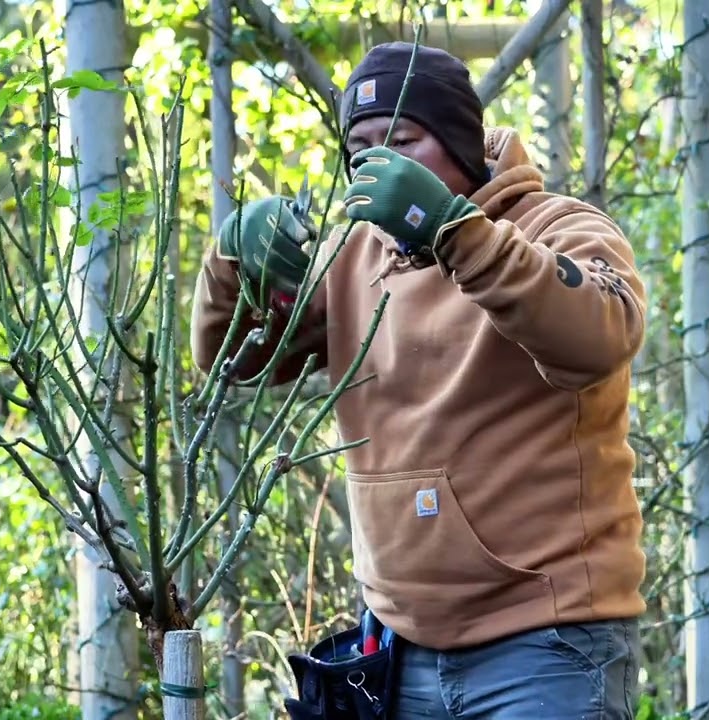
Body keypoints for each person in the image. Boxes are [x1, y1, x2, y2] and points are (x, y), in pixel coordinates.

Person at [193, 42, 647, 717]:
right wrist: (233, 262)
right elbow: (237, 359)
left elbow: (598, 335)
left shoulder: (563, 228)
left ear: (462, 146)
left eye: (404, 141)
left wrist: (449, 229)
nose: (380, 165)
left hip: (547, 645)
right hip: (399, 651)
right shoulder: (354, 257)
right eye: (362, 149)